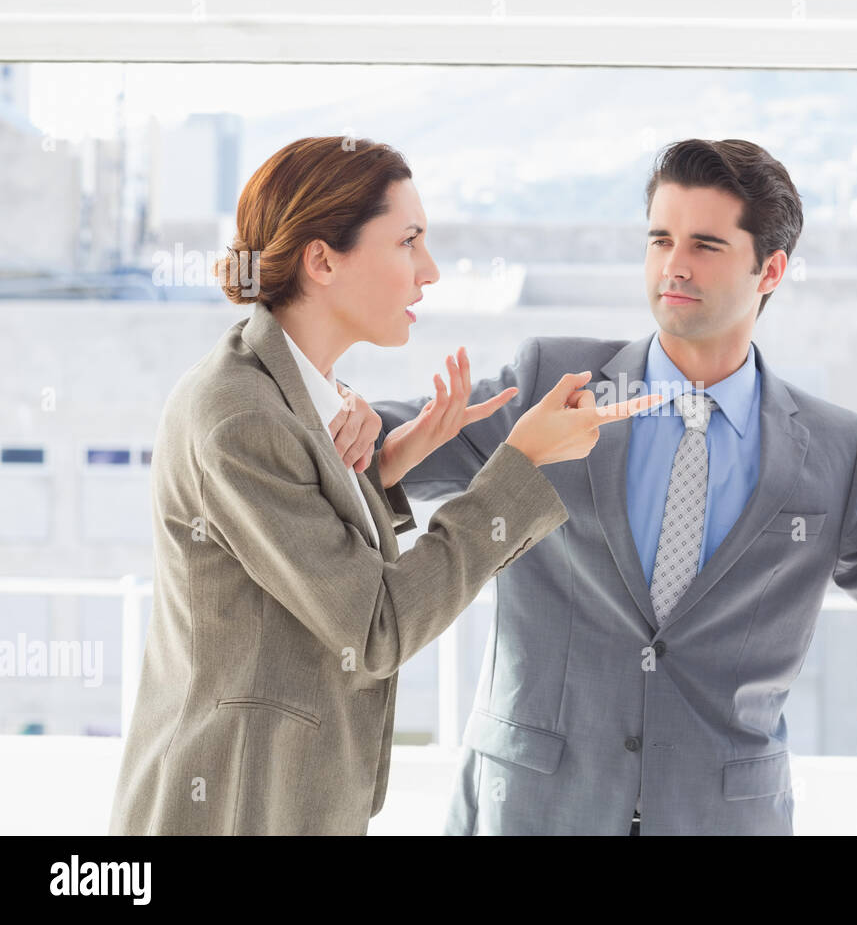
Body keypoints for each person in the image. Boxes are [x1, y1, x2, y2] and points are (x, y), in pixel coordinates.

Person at [339, 138, 857, 835]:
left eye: (706, 245)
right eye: (660, 238)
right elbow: (392, 450)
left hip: (720, 816)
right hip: (537, 808)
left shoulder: (834, 448)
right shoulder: (553, 381)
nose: (674, 266)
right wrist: (344, 419)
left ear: (771, 268)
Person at [109, 136, 657, 835]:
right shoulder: (240, 415)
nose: (428, 271)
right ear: (322, 259)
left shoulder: (293, 391)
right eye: (408, 242)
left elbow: (296, 549)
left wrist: (380, 472)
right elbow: (375, 629)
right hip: (232, 808)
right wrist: (518, 469)